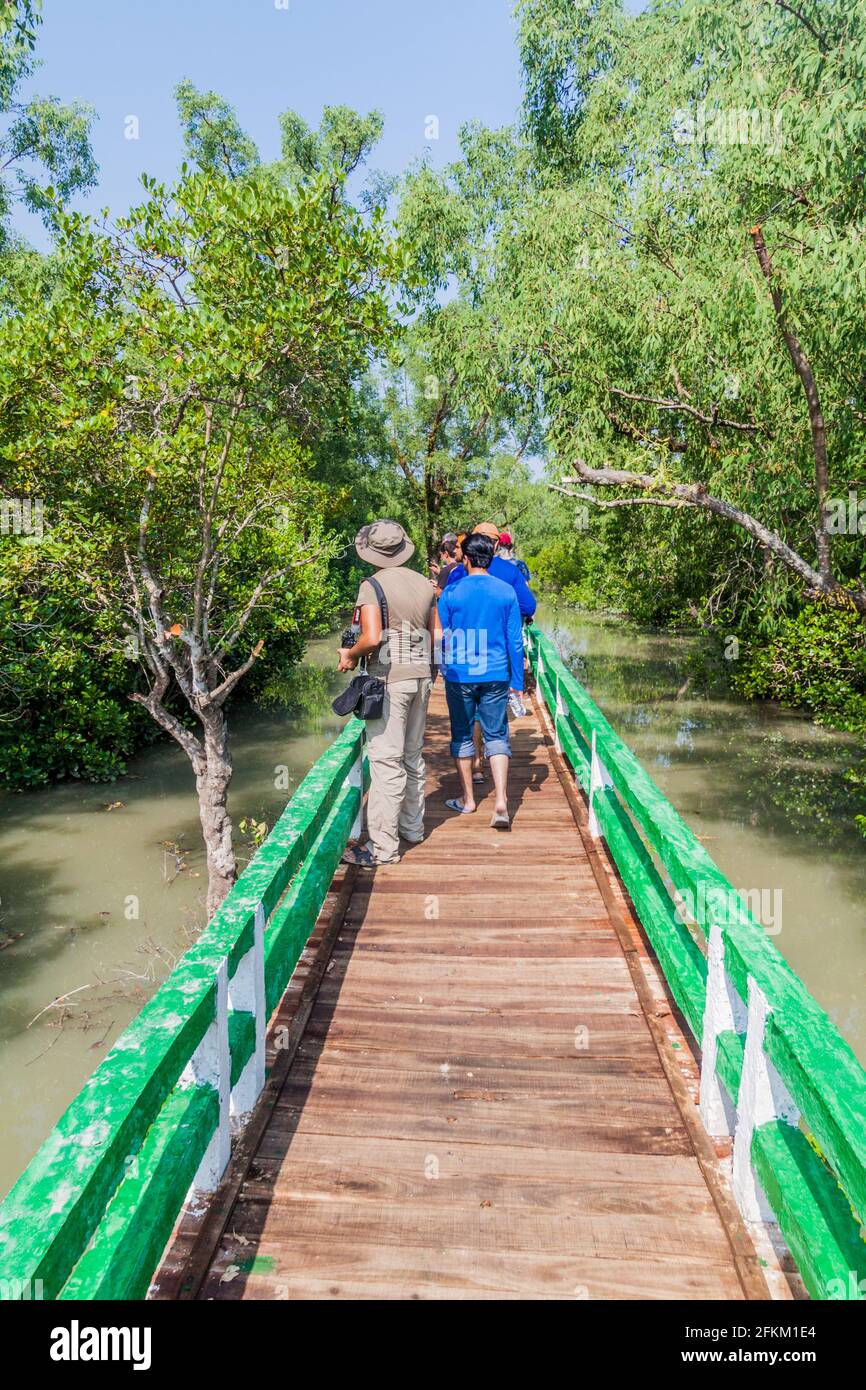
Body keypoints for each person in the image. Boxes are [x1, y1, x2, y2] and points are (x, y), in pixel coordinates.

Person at [337, 520, 438, 867]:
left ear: (373, 553)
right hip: (422, 676)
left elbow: (373, 637)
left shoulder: (372, 586)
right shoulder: (425, 583)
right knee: (412, 757)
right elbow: (436, 636)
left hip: (389, 679)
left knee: (386, 762)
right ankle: (413, 828)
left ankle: (382, 848)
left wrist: (350, 655)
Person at [433, 531, 524, 830]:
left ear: (467, 558)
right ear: (491, 556)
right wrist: (518, 682)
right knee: (497, 735)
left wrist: (440, 670)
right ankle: (501, 803)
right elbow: (515, 641)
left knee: (461, 735)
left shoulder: (451, 592)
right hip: (497, 673)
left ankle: (468, 800)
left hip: (460, 675)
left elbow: (441, 639)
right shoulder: (505, 591)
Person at [443, 521, 536, 620]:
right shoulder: (512, 571)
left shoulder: (457, 572)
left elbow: (446, 610)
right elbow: (528, 608)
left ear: (473, 542)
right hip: (499, 632)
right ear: (496, 545)